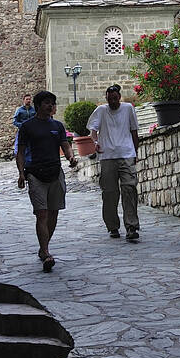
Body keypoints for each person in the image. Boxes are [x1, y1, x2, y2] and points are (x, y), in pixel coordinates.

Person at [16, 91, 78, 272]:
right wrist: (21, 173)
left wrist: (71, 157)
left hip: (55, 173)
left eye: (52, 103)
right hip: (35, 174)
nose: (50, 106)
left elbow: (65, 145)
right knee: (41, 214)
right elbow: (20, 151)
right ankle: (45, 252)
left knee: (54, 214)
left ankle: (44, 247)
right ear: (38, 105)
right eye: (46, 103)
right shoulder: (27, 127)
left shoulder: (57, 126)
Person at [87, 84, 141, 242]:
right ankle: (113, 226)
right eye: (109, 99)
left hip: (126, 154)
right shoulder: (101, 111)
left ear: (120, 97)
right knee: (109, 193)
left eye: (115, 98)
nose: (112, 101)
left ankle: (131, 226)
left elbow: (134, 131)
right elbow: (93, 131)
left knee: (129, 188)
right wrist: (95, 142)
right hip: (107, 156)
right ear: (106, 98)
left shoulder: (128, 109)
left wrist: (135, 153)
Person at [12, 93, 36, 160]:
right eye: (27, 99)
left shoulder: (33, 110)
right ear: (24, 100)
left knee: (31, 145)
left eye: (29, 99)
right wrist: (22, 126)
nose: (28, 100)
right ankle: (18, 156)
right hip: (23, 130)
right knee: (19, 144)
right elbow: (14, 121)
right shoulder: (19, 110)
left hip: (31, 131)